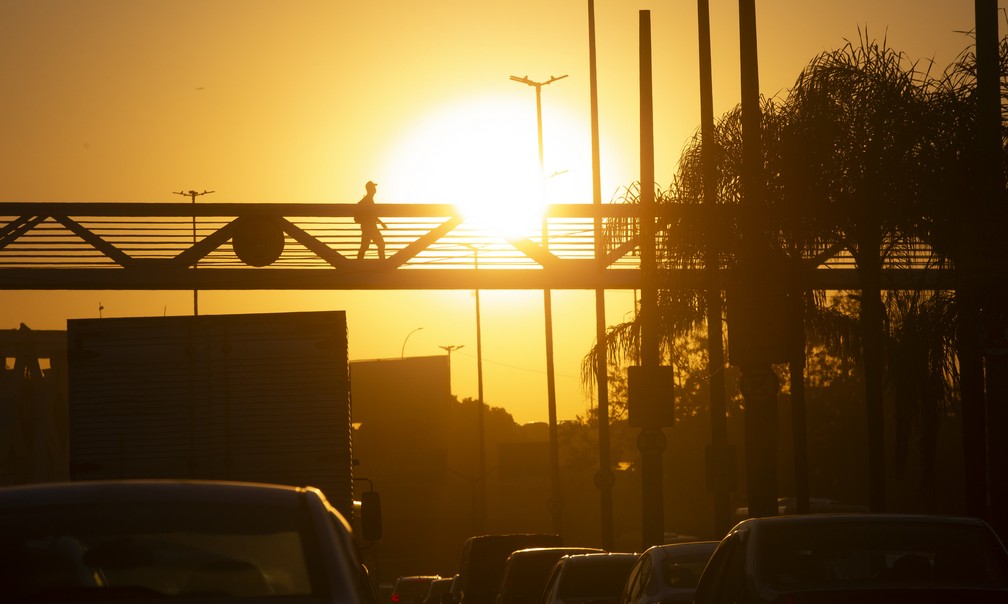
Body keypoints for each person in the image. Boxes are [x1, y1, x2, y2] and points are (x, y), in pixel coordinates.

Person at [355, 180, 387, 260]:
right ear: (370, 189)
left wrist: (381, 222)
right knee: (380, 244)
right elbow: (369, 215)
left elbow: (372, 215)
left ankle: (358, 263)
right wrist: (380, 223)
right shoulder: (367, 200)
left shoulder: (369, 200)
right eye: (373, 187)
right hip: (370, 228)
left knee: (365, 246)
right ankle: (383, 264)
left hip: (369, 227)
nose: (375, 189)